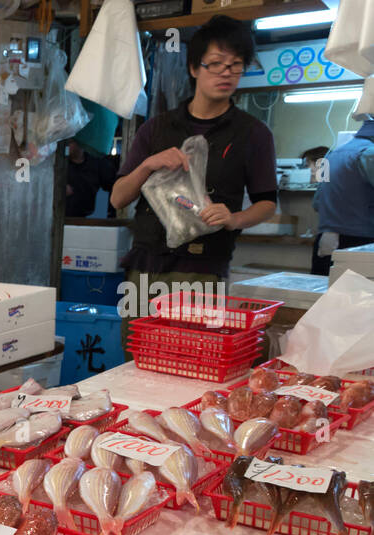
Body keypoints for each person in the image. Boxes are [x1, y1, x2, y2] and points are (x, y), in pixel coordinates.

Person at [110, 15, 277, 320]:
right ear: (194, 68)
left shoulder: (253, 133)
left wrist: (234, 218)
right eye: (216, 63)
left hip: (203, 269)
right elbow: (118, 198)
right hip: (145, 266)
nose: (226, 72)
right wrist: (149, 164)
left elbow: (267, 203)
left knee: (192, 358)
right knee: (135, 356)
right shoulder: (156, 128)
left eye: (236, 64)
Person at [310, 118, 374, 276]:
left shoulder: (330, 156)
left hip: (325, 241)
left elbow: (317, 202)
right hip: (359, 242)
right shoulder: (369, 153)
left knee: (324, 295)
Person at [65, 139, 118, 218]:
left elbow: (114, 187)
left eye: (69, 143)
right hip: (64, 218)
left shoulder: (98, 164)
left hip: (92, 219)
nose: (66, 146)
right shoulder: (60, 166)